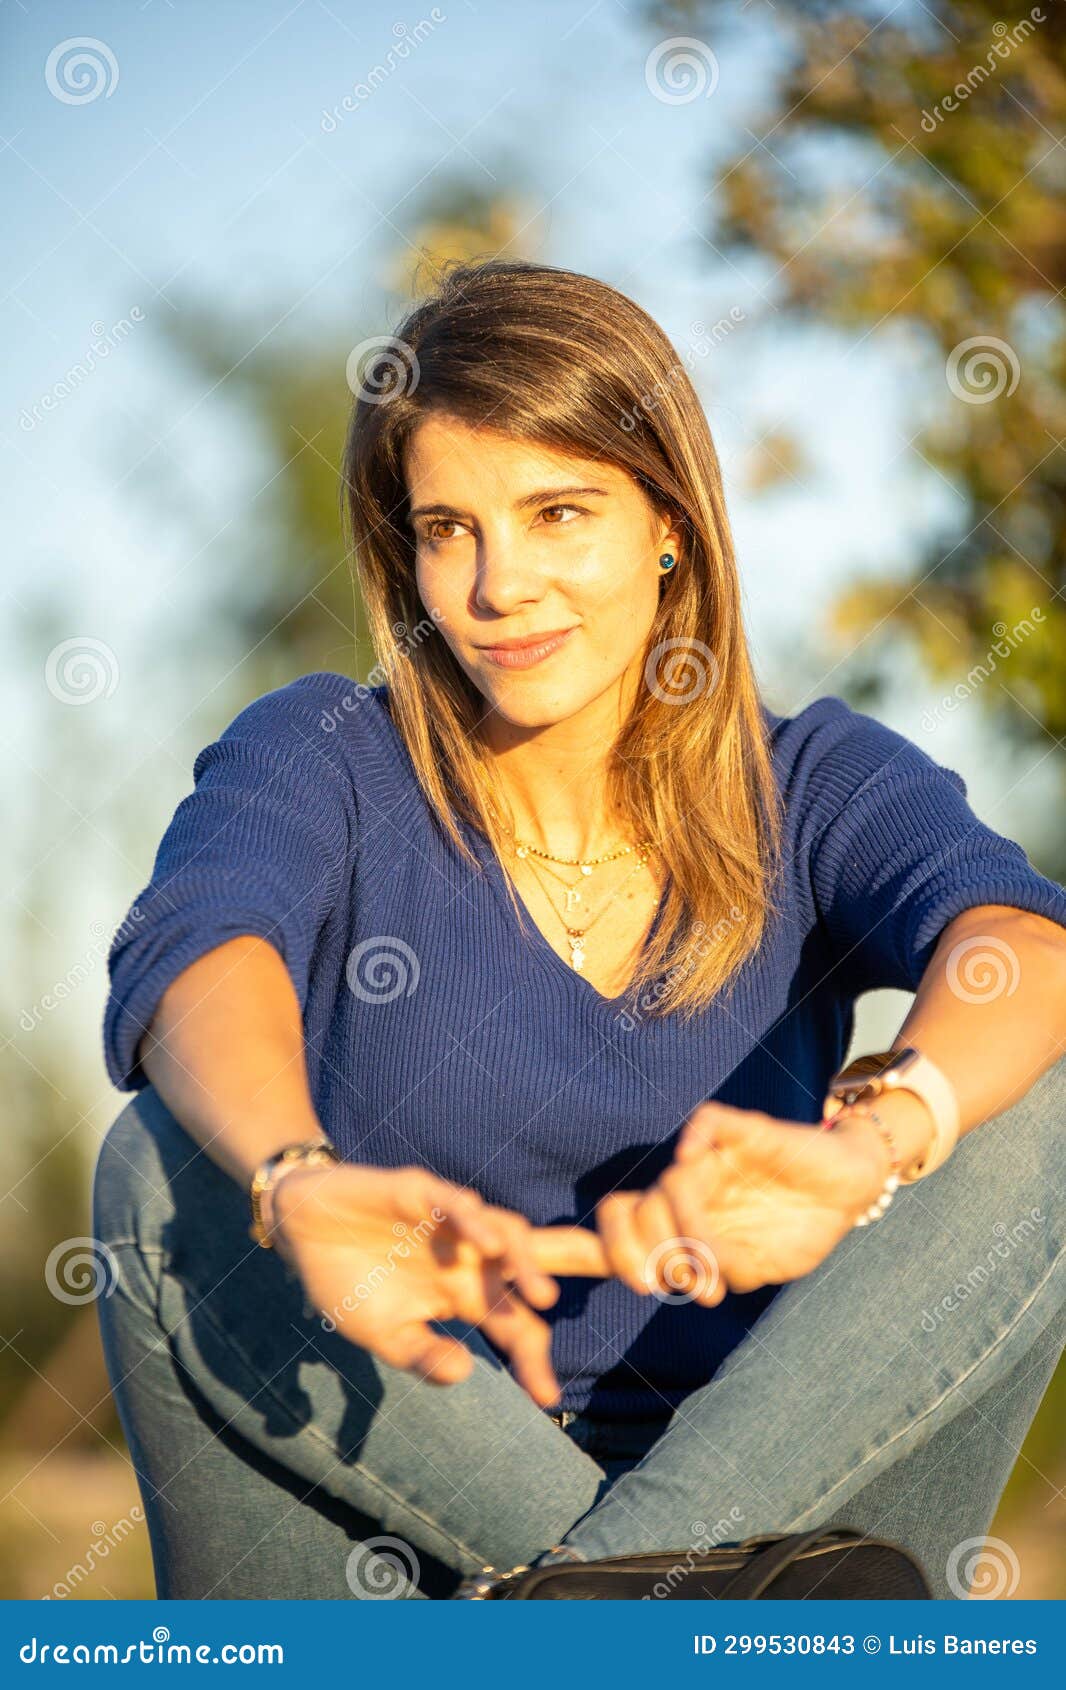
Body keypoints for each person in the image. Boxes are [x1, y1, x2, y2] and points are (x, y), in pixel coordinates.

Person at [94, 259, 1066, 1602]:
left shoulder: (814, 783)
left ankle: (591, 1609)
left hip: (789, 1486)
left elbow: (1019, 945)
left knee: (1032, 1109)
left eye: (559, 512)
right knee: (169, 1159)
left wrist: (874, 1139)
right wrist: (299, 1172)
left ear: (669, 521)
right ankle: (637, 1612)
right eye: (449, 528)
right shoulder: (323, 752)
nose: (499, 585)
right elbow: (197, 948)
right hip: (395, 1479)